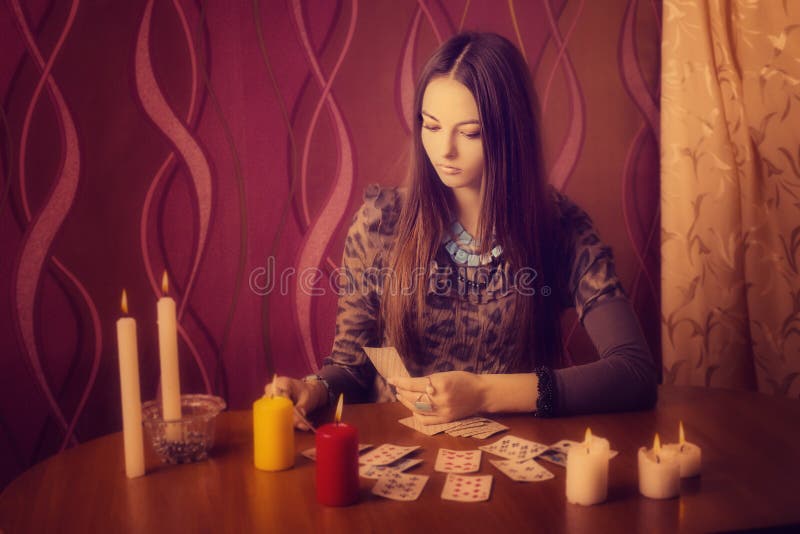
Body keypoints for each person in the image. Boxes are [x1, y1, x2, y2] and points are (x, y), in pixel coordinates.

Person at [267, 32, 656, 429]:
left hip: (515, 450)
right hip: (402, 448)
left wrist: (484, 393)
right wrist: (312, 389)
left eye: (469, 132)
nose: (444, 150)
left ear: (511, 135)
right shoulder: (381, 224)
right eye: (431, 126)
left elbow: (635, 373)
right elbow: (350, 370)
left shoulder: (559, 227)